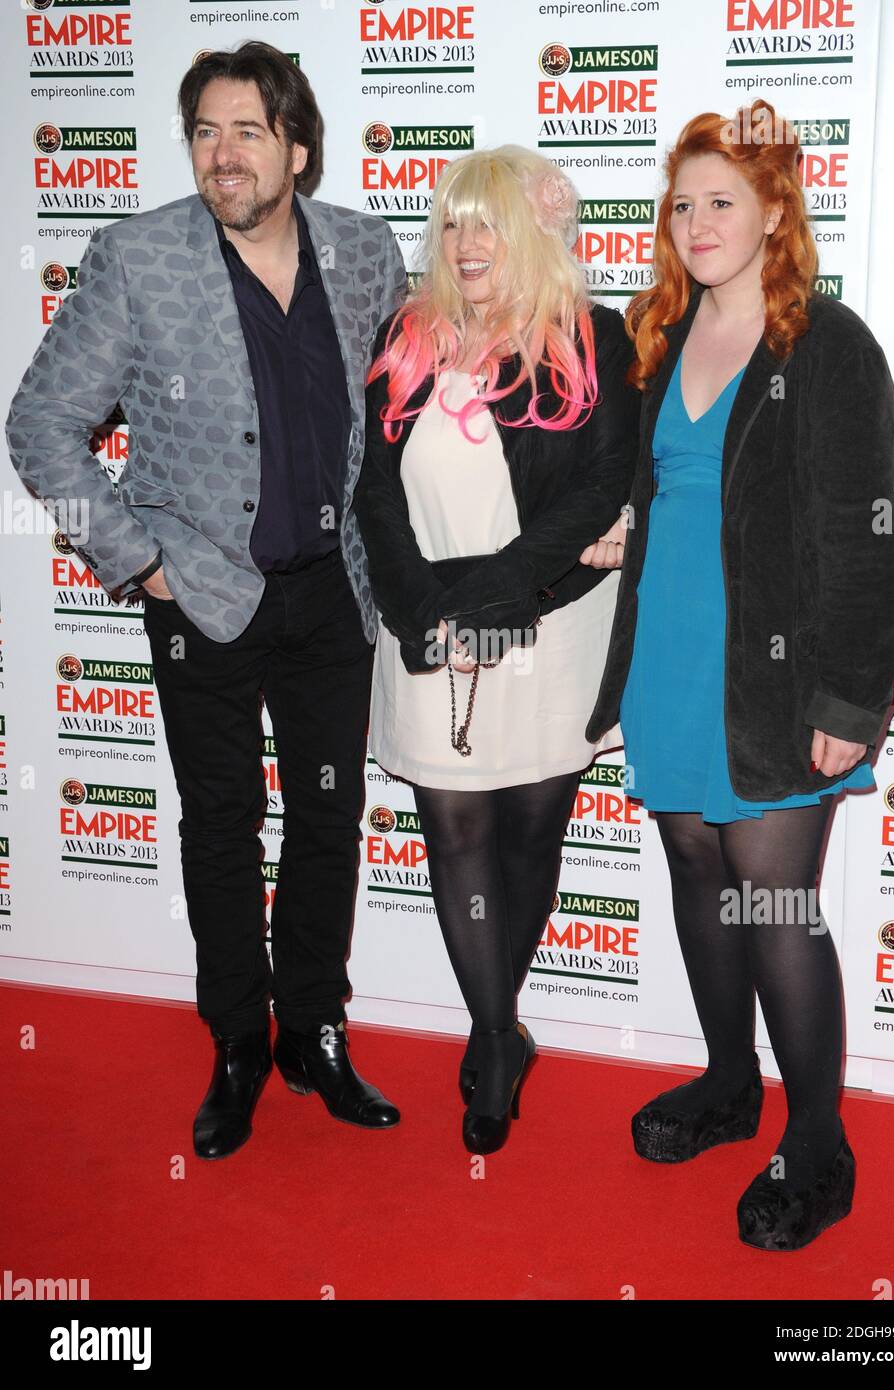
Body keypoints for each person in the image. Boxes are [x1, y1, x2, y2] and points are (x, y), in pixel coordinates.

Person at [5, 42, 409, 1159]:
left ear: (298, 147)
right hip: (204, 599)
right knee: (221, 825)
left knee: (328, 817)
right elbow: (40, 424)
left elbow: (419, 404)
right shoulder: (140, 258)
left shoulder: (367, 254)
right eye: (203, 133)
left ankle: (312, 1031)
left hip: (334, 596)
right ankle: (237, 1040)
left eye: (245, 132)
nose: (221, 156)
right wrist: (137, 561)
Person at [580, 101, 894, 1249]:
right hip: (671, 657)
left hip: (776, 678)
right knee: (692, 874)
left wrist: (846, 701)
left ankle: (816, 1145)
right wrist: (621, 534)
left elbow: (873, 539)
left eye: (721, 200)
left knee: (774, 902)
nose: (695, 222)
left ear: (774, 214)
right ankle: (730, 1084)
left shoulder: (826, 343)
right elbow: (664, 489)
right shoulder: (658, 339)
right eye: (681, 204)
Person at [353, 146, 640, 1155]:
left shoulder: (587, 336)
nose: (463, 244)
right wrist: (416, 602)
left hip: (548, 623)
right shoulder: (408, 334)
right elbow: (373, 490)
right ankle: (493, 1034)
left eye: (484, 224)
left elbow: (599, 488)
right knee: (456, 835)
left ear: (528, 233)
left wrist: (481, 593)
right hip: (428, 628)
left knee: (527, 833)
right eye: (450, 225)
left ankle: (493, 1032)